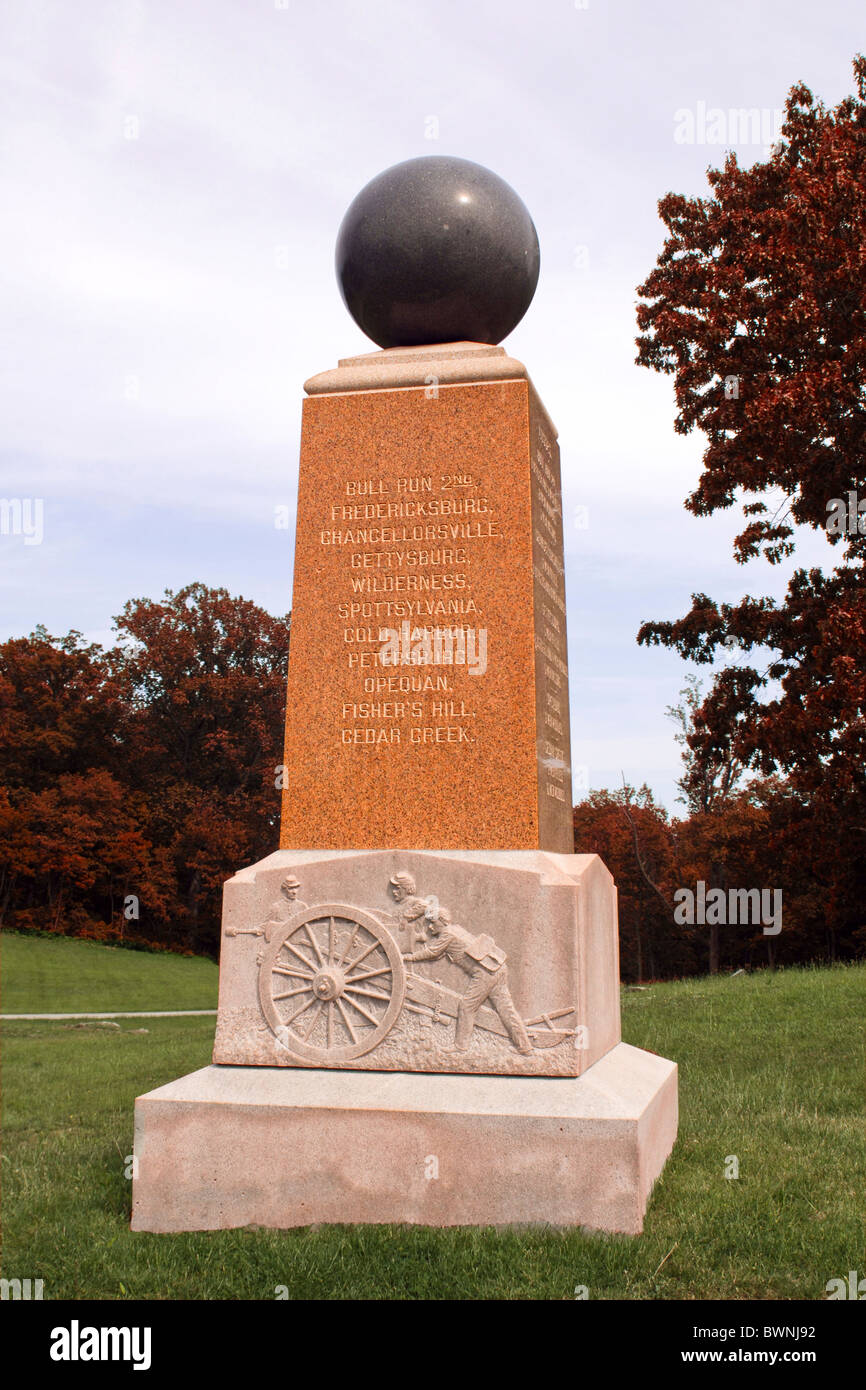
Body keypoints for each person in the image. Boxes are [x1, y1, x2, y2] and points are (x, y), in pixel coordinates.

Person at [403, 898, 533, 1055]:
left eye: (433, 923)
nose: (430, 927)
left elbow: (433, 952)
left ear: (442, 922)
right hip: (497, 968)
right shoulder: (456, 930)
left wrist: (409, 957)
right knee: (507, 1009)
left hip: (486, 973)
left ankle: (460, 1046)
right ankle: (525, 1047)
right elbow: (440, 953)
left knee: (466, 1007)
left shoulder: (447, 934)